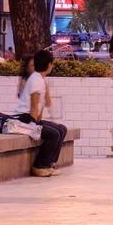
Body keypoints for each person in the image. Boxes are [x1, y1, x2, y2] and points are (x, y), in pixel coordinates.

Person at [13, 49, 69, 177]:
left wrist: (41, 122)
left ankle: (50, 164)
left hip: (32, 118)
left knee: (61, 129)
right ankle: (39, 166)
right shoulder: (37, 80)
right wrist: (34, 127)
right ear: (49, 65)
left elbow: (40, 106)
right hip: (24, 119)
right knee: (54, 134)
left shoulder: (40, 79)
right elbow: (33, 106)